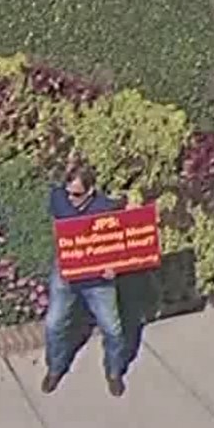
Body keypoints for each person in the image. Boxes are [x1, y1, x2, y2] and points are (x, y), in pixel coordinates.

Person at [42, 161, 130, 398]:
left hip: (98, 281)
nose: (70, 198)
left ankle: (114, 372)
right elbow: (56, 226)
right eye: (68, 192)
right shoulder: (58, 197)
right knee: (53, 324)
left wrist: (115, 267)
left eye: (77, 194)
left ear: (91, 191)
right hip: (67, 274)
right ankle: (54, 368)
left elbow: (121, 244)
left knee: (112, 329)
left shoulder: (106, 208)